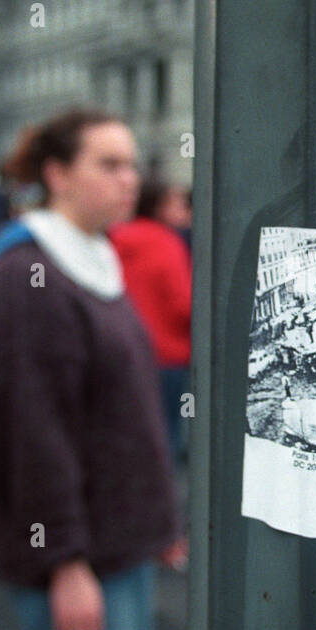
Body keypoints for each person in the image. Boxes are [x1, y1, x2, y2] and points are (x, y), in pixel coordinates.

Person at [0, 109, 182, 630]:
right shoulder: (29, 273)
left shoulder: (91, 255)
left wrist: (154, 519)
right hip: (79, 554)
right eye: (108, 164)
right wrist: (61, 563)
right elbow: (31, 434)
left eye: (132, 164)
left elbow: (121, 411)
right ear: (57, 174)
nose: (129, 179)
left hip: (115, 541)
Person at [108, 179, 193, 465]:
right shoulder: (167, 242)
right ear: (158, 206)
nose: (185, 210)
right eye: (177, 204)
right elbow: (183, 303)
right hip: (167, 356)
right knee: (164, 436)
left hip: (123, 352)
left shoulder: (114, 238)